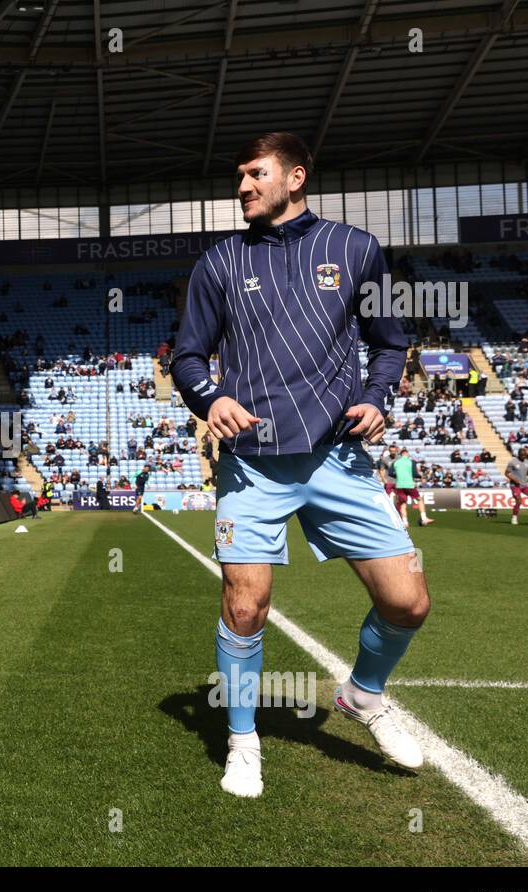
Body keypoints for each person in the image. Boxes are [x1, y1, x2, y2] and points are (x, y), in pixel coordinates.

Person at [171, 131, 428, 799]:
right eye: (240, 177)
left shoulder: (355, 250)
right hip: (253, 466)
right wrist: (212, 397)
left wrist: (375, 399)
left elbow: (389, 343)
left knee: (408, 602)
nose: (243, 187)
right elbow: (188, 358)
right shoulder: (219, 262)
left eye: (256, 175)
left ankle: (364, 695)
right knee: (247, 606)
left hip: (339, 458)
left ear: (295, 177)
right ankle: (243, 741)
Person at [391, 448, 434, 529]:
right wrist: (421, 476)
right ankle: (424, 518)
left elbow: (390, 473)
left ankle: (405, 522)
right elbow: (415, 474)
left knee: (403, 504)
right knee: (419, 499)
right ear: (406, 453)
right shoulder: (411, 462)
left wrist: (400, 476)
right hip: (409, 484)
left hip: (399, 485)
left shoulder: (396, 462)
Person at [503, 447, 528, 526]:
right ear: (518, 454)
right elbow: (506, 473)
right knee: (519, 500)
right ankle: (514, 517)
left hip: (524, 485)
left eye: (525, 455)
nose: (523, 456)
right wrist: (513, 479)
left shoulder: (527, 462)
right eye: (522, 455)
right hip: (515, 485)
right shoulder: (512, 462)